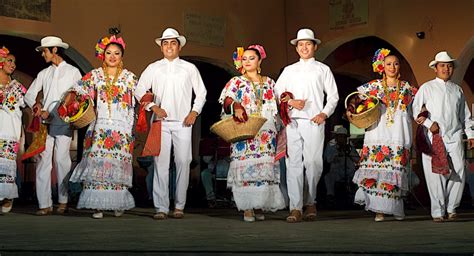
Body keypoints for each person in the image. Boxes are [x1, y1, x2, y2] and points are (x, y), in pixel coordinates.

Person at [135, 28, 207, 220]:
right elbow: (139, 89)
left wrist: (194, 111)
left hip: (184, 121)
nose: (169, 46)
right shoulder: (153, 68)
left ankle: (179, 205)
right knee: (160, 163)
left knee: (183, 162)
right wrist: (152, 106)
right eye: (165, 43)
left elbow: (201, 93)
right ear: (161, 47)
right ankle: (161, 207)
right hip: (160, 122)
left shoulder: (189, 68)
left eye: (172, 43)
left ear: (179, 46)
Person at [68, 34, 137, 219]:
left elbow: (141, 96)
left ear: (122, 55)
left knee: (117, 165)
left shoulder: (129, 77)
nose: (113, 56)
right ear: (103, 55)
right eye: (109, 53)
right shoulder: (95, 75)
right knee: (98, 164)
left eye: (117, 53)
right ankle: (97, 205)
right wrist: (77, 103)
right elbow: (77, 91)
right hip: (99, 126)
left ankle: (118, 203)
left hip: (121, 128)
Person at [274, 28, 339, 222]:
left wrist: (324, 113)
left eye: (308, 44)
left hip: (314, 121)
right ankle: (295, 207)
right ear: (296, 48)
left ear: (315, 46)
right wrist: (292, 103)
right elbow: (277, 93)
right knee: (293, 163)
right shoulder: (289, 70)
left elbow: (333, 96)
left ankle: (310, 200)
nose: (304, 47)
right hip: (293, 121)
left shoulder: (322, 69)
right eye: (300, 44)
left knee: (313, 162)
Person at [218, 45, 285, 222]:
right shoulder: (236, 82)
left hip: (266, 131)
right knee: (245, 165)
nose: (247, 61)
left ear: (259, 60)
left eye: (251, 58)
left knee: (263, 168)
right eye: (244, 58)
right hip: (244, 129)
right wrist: (236, 106)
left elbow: (279, 102)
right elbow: (227, 100)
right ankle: (247, 206)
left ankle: (259, 204)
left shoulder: (269, 82)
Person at [351, 48, 417, 222]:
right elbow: (355, 101)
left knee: (395, 172)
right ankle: (379, 209)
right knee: (379, 172)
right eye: (388, 64)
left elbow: (418, 108)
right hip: (377, 133)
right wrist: (353, 111)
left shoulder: (407, 88)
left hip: (399, 135)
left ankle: (396, 208)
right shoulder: (374, 86)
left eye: (396, 64)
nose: (392, 67)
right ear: (382, 66)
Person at [412, 51, 474, 222]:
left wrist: (470, 134)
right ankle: (438, 212)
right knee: (436, 175)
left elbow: (465, 115)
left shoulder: (457, 90)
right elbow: (415, 110)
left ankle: (452, 207)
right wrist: (428, 124)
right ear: (436, 68)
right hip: (434, 136)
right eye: (442, 65)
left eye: (449, 65)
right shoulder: (427, 87)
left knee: (459, 170)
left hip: (454, 136)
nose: (446, 68)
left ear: (452, 68)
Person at [24, 36, 82, 215]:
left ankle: (63, 201)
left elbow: (80, 94)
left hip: (64, 123)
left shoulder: (73, 71)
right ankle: (44, 204)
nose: (43, 55)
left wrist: (68, 108)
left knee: (61, 160)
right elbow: (30, 94)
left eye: (45, 51)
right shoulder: (44, 73)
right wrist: (37, 105)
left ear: (55, 50)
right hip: (45, 122)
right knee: (43, 161)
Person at [0, 47, 26, 213]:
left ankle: (7, 197)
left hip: (10, 130)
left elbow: (27, 103)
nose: (13, 64)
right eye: (10, 60)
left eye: (14, 62)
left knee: (8, 164)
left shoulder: (17, 87)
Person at [323, 126, 359, 204]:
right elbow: (328, 160)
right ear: (336, 137)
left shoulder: (350, 146)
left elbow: (357, 160)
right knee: (328, 177)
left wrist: (349, 152)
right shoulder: (331, 146)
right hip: (336, 171)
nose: (342, 139)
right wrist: (337, 152)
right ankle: (330, 196)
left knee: (357, 177)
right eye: (340, 136)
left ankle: (355, 199)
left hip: (349, 171)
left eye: (343, 137)